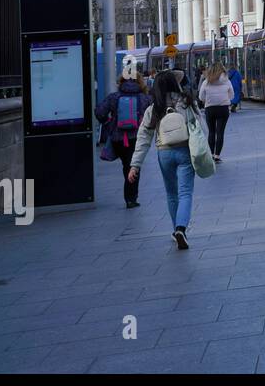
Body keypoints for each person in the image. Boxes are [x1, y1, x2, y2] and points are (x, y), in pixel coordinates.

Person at [128, 71, 199, 250]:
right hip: (184, 150)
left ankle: (176, 229)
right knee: (185, 193)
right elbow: (197, 125)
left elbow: (143, 137)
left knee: (171, 193)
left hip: (164, 153)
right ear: (175, 84)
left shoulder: (154, 108)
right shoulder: (186, 102)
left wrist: (135, 165)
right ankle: (181, 228)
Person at [94, 63, 152, 209]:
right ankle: (131, 198)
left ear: (122, 80)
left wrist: (108, 123)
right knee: (133, 166)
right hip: (136, 138)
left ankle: (129, 195)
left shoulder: (114, 97)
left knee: (126, 165)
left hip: (117, 139)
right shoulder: (144, 98)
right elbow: (152, 116)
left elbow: (100, 112)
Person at [198, 63, 233, 162]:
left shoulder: (206, 82)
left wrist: (208, 100)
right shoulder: (227, 81)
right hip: (223, 109)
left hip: (210, 109)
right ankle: (217, 156)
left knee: (211, 132)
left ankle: (211, 154)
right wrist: (225, 99)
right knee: (220, 132)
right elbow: (232, 95)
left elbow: (201, 97)